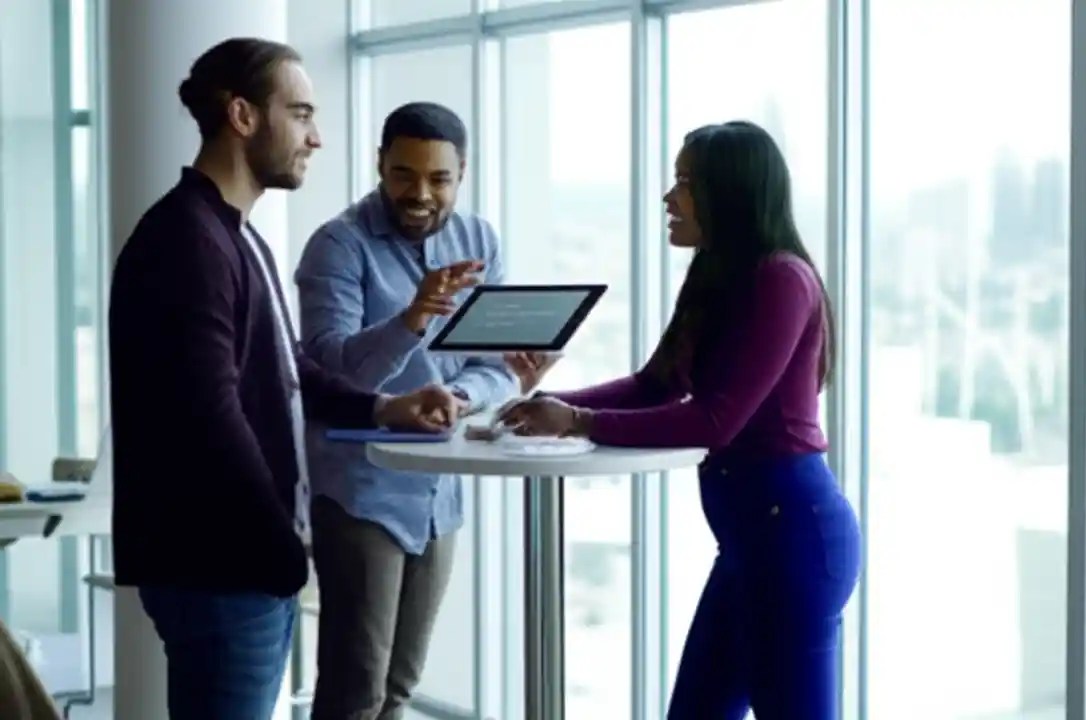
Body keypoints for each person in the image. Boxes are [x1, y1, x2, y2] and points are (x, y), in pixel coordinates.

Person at [108, 39, 458, 720]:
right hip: (222, 567)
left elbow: (289, 368)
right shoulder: (190, 242)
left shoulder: (233, 234)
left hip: (237, 565)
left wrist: (387, 407)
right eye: (299, 114)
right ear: (242, 116)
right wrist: (280, 548)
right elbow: (210, 416)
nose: (316, 137)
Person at [499, 121, 861, 719]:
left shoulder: (781, 279)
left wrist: (576, 421)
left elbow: (715, 420)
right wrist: (549, 408)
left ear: (733, 191)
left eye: (686, 183)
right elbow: (655, 384)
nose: (670, 198)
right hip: (748, 546)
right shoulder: (715, 274)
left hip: (793, 544)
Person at [294, 101, 553, 719]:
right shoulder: (338, 246)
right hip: (362, 489)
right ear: (379, 165)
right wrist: (413, 318)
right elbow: (330, 373)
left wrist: (462, 397)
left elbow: (492, 368)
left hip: (440, 496)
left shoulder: (479, 240)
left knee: (400, 689)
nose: (420, 194)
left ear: (461, 173)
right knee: (356, 691)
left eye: (439, 179)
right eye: (403, 174)